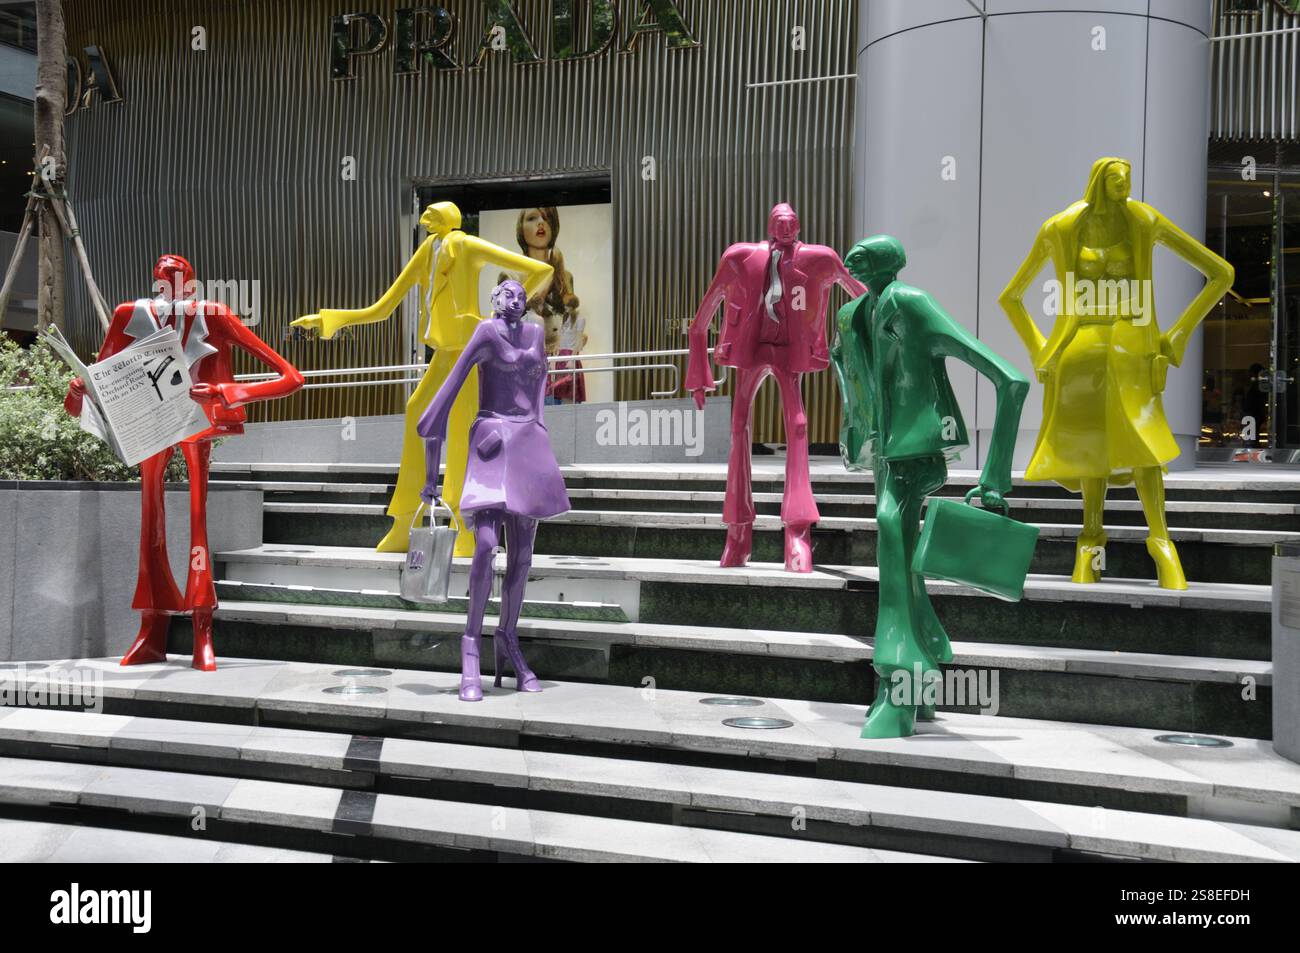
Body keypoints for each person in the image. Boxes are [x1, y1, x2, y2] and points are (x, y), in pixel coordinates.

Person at [999, 158, 1234, 589]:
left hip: (1133, 350)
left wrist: (1175, 338)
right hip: (1079, 352)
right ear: (1098, 182)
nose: (1123, 185)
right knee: (1092, 444)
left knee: (1143, 443)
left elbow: (1221, 273)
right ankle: (1091, 539)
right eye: (1115, 179)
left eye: (1126, 179)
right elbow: (1011, 297)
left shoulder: (1143, 220)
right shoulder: (1062, 227)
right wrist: (1043, 352)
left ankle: (1159, 539)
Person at [64, 254, 303, 670]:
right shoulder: (128, 315)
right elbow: (96, 387)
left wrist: (228, 392)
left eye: (177, 281)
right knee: (150, 520)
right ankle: (150, 631)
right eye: (164, 282)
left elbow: (291, 377)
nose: (170, 287)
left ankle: (202, 632)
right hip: (149, 423)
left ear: (189, 285)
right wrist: (78, 392)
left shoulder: (214, 315)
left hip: (197, 422)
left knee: (196, 518)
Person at [832, 235, 1028, 739]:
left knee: (889, 524)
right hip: (882, 451)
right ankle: (918, 674)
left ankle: (900, 674)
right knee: (896, 544)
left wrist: (994, 477)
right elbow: (850, 375)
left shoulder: (913, 305)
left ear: (891, 263)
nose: (854, 257)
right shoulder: (854, 314)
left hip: (916, 450)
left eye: (867, 253)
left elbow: (1009, 379)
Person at [293, 201, 554, 557]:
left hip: (470, 352)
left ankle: (466, 527)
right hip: (445, 354)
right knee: (419, 412)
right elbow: (382, 307)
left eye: (432, 212)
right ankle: (406, 521)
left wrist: (499, 314)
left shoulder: (465, 245)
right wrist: (330, 321)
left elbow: (538, 268)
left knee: (464, 433)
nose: (425, 217)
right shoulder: (427, 251)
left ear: (448, 215)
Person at [686, 202, 866, 572]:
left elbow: (864, 298)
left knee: (798, 425)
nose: (785, 228)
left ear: (799, 225)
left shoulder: (820, 259)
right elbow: (700, 321)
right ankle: (738, 533)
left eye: (791, 222)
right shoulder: (740, 258)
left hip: (790, 352)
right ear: (769, 225)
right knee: (739, 430)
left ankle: (797, 531)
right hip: (751, 350)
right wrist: (698, 375)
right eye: (779, 222)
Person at [417, 280, 570, 702]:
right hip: (491, 440)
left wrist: (539, 428)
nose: (513, 297)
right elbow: (444, 398)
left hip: (528, 442)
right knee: (486, 545)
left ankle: (508, 640)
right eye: (504, 290)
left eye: (519, 291)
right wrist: (430, 475)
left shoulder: (537, 333)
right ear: (493, 299)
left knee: (523, 554)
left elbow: (539, 382)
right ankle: (470, 646)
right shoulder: (485, 332)